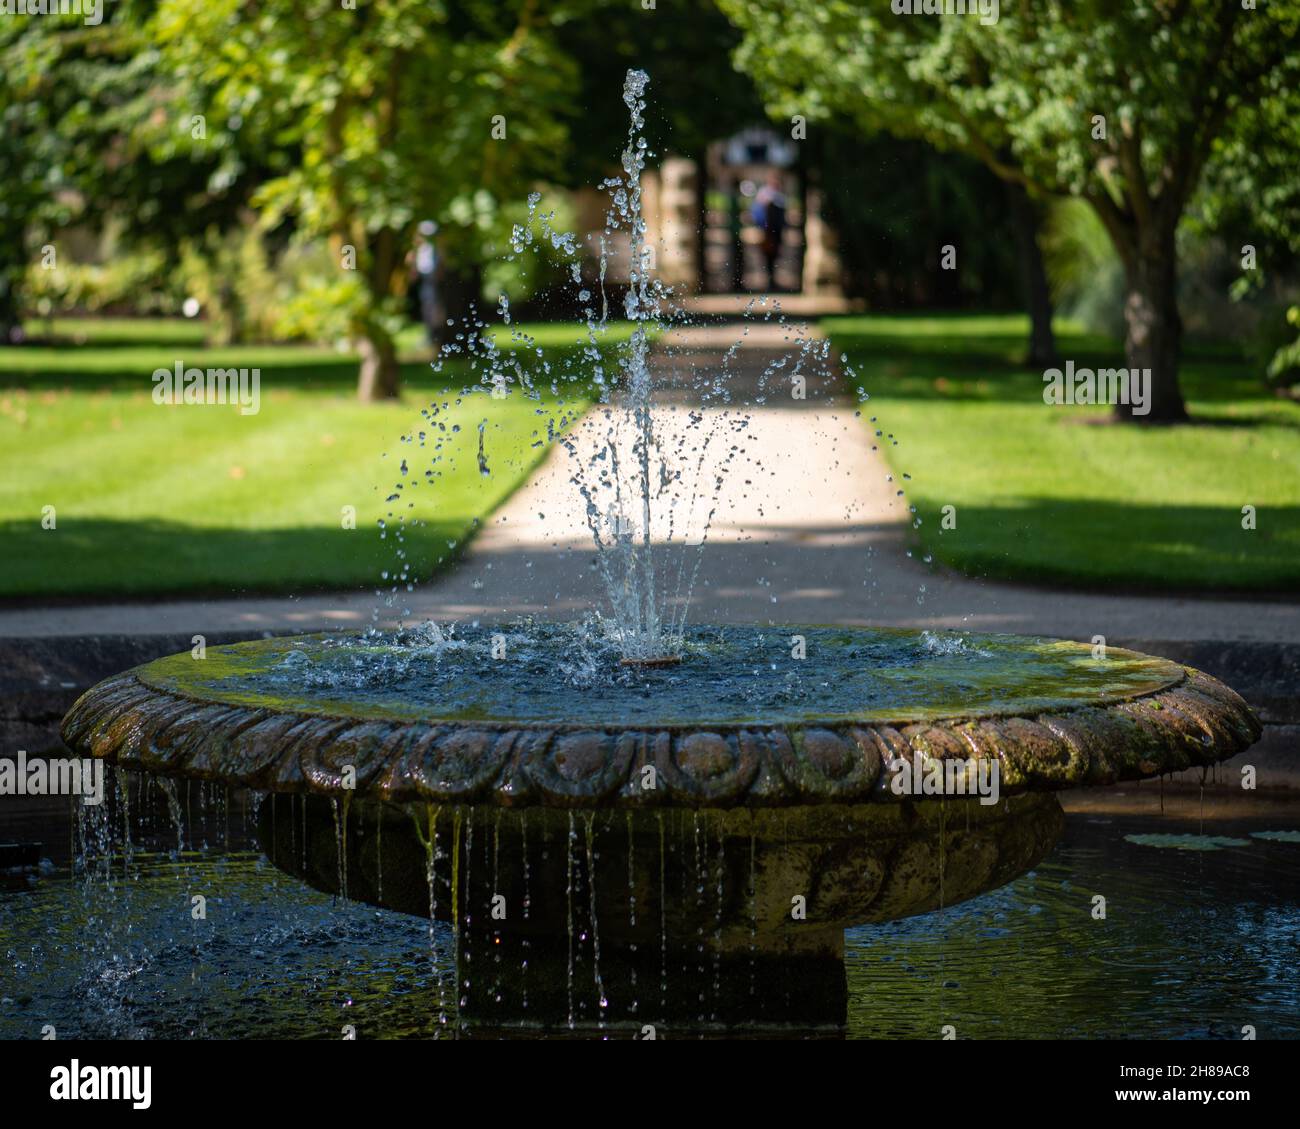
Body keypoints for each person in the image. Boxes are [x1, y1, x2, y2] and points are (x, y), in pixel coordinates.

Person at [751, 171, 787, 292]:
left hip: (775, 231)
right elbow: (758, 214)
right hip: (767, 231)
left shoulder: (780, 196)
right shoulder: (764, 195)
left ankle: (771, 281)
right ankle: (768, 281)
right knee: (766, 257)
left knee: (774, 256)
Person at [412, 220, 441, 349]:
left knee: (433, 308)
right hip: (425, 278)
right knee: (427, 307)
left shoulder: (436, 247)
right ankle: (430, 336)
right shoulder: (420, 247)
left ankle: (434, 336)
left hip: (433, 279)